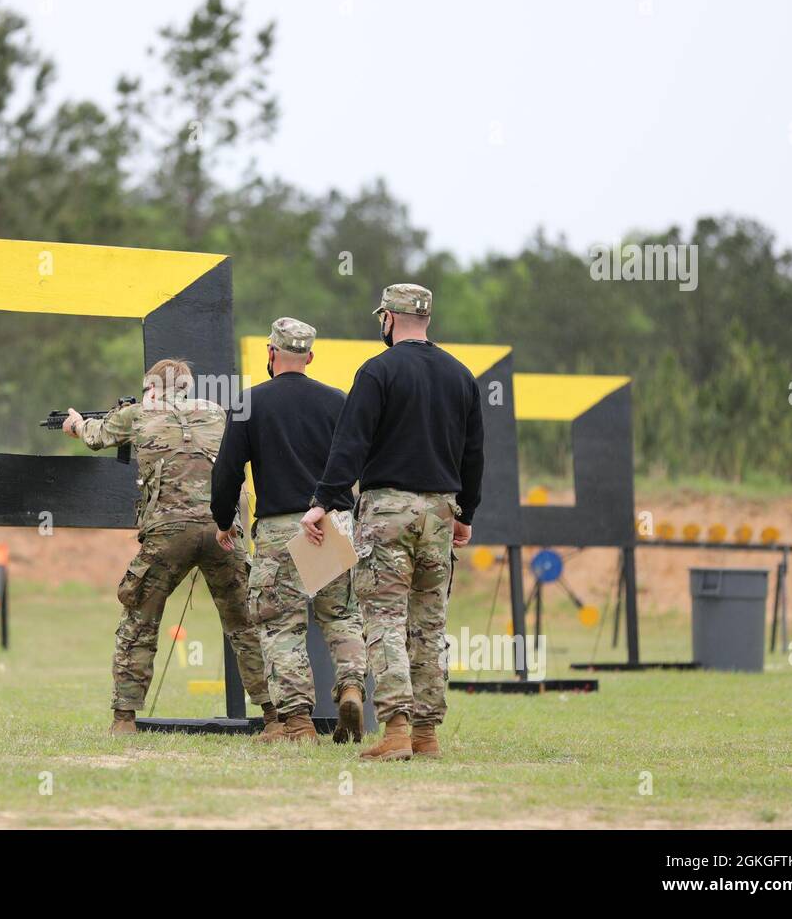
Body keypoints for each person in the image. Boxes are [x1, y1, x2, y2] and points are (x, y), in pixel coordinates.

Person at [301, 284, 483, 761]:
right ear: (425, 319)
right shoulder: (461, 376)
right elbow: (473, 453)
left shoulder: (377, 371)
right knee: (429, 623)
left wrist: (324, 500)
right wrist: (466, 512)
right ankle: (427, 735)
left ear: (389, 319)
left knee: (384, 619)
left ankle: (398, 729)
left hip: (387, 510)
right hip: (441, 512)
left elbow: (351, 444)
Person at [62, 358, 272, 735]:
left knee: (139, 622)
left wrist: (76, 423)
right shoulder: (217, 412)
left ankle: (124, 718)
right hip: (222, 529)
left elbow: (95, 437)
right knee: (245, 624)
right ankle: (275, 717)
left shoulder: (138, 413)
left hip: (167, 532)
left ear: (154, 389)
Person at [211, 318, 366, 745]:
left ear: (270, 353)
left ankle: (297, 725)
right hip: (333, 521)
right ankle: (351, 687)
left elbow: (226, 472)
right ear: (310, 357)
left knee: (281, 626)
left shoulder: (249, 403)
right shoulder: (338, 402)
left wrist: (224, 521)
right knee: (342, 616)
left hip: (281, 529)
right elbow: (358, 462)